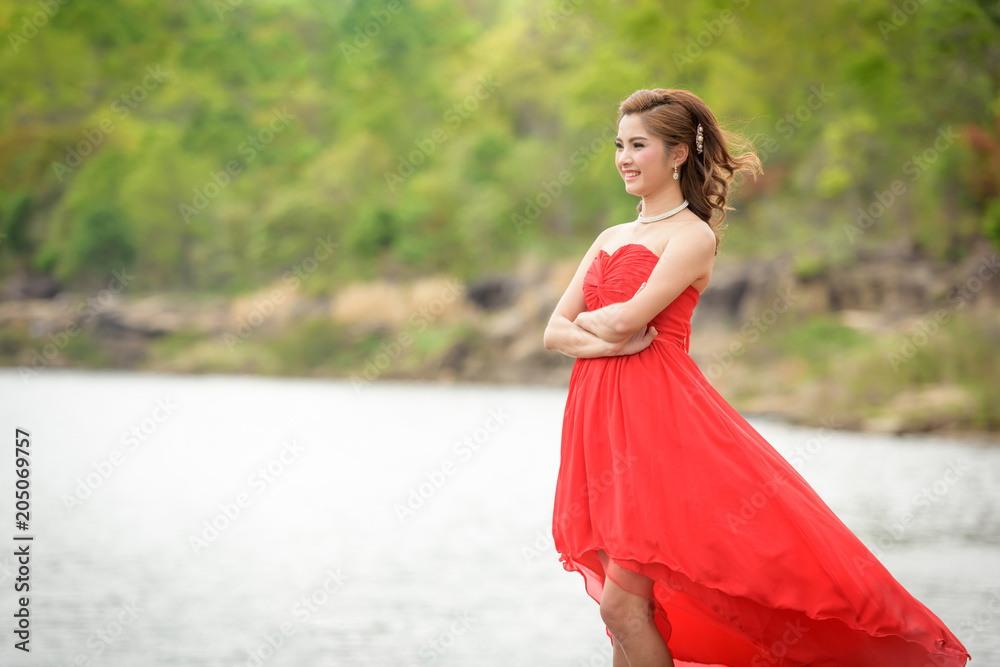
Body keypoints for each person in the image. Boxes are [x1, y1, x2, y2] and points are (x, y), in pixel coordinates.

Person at [542, 88, 970, 667]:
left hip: (658, 422)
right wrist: (604, 333)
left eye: (638, 145)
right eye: (619, 145)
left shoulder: (692, 236)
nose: (623, 157)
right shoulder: (608, 238)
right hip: (599, 424)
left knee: (621, 606)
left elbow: (624, 321)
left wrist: (595, 329)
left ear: (676, 155)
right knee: (623, 614)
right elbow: (553, 332)